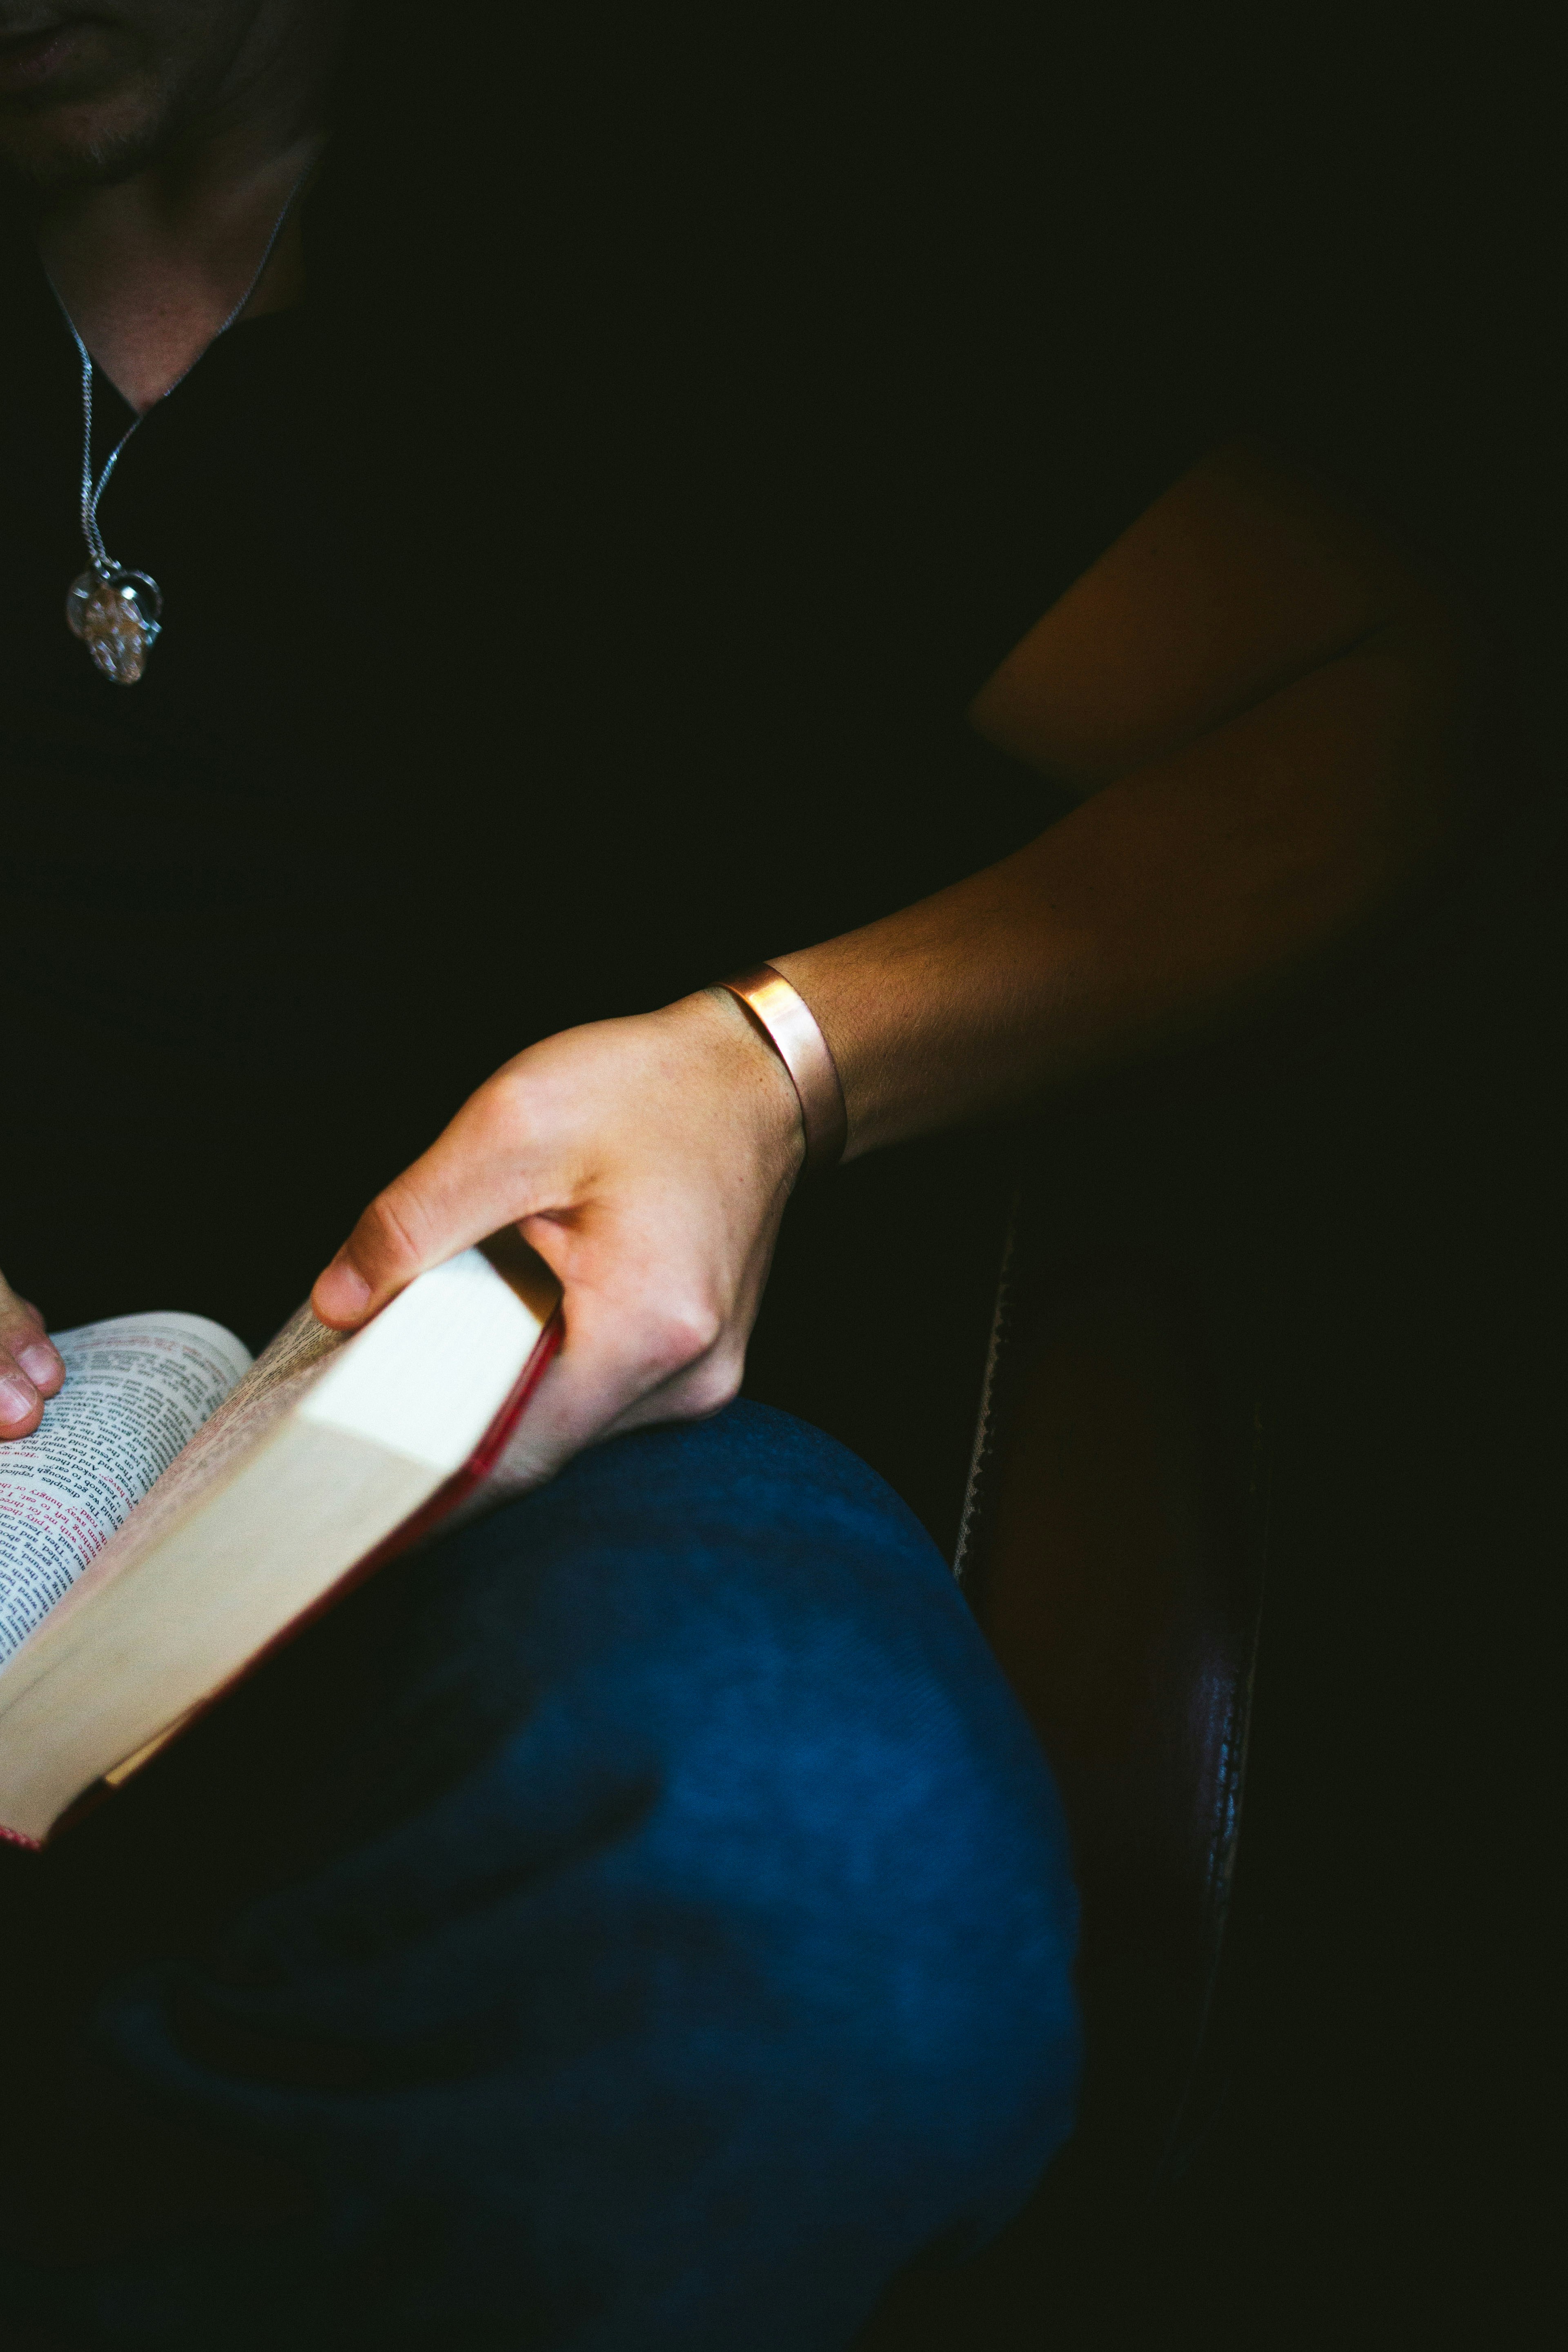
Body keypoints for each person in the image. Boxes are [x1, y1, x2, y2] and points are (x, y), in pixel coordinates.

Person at [0, 4, 1475, 2346]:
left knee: (827, 1904)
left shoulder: (699, 206)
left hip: (558, 1441)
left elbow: (1393, 693)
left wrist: (780, 1068)